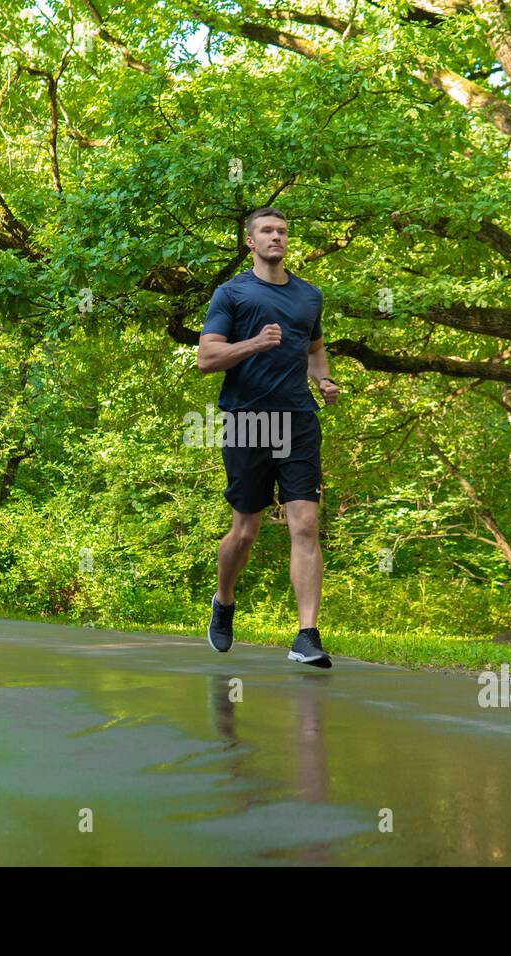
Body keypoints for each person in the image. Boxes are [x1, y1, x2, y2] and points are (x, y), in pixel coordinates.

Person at [196, 207, 340, 667]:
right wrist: (253, 344)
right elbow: (206, 358)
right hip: (248, 420)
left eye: (281, 231)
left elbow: (315, 348)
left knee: (305, 524)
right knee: (246, 530)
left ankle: (307, 635)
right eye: (266, 231)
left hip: (298, 420)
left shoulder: (308, 296)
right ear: (250, 241)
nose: (276, 237)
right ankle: (224, 600)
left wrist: (323, 380)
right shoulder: (232, 293)